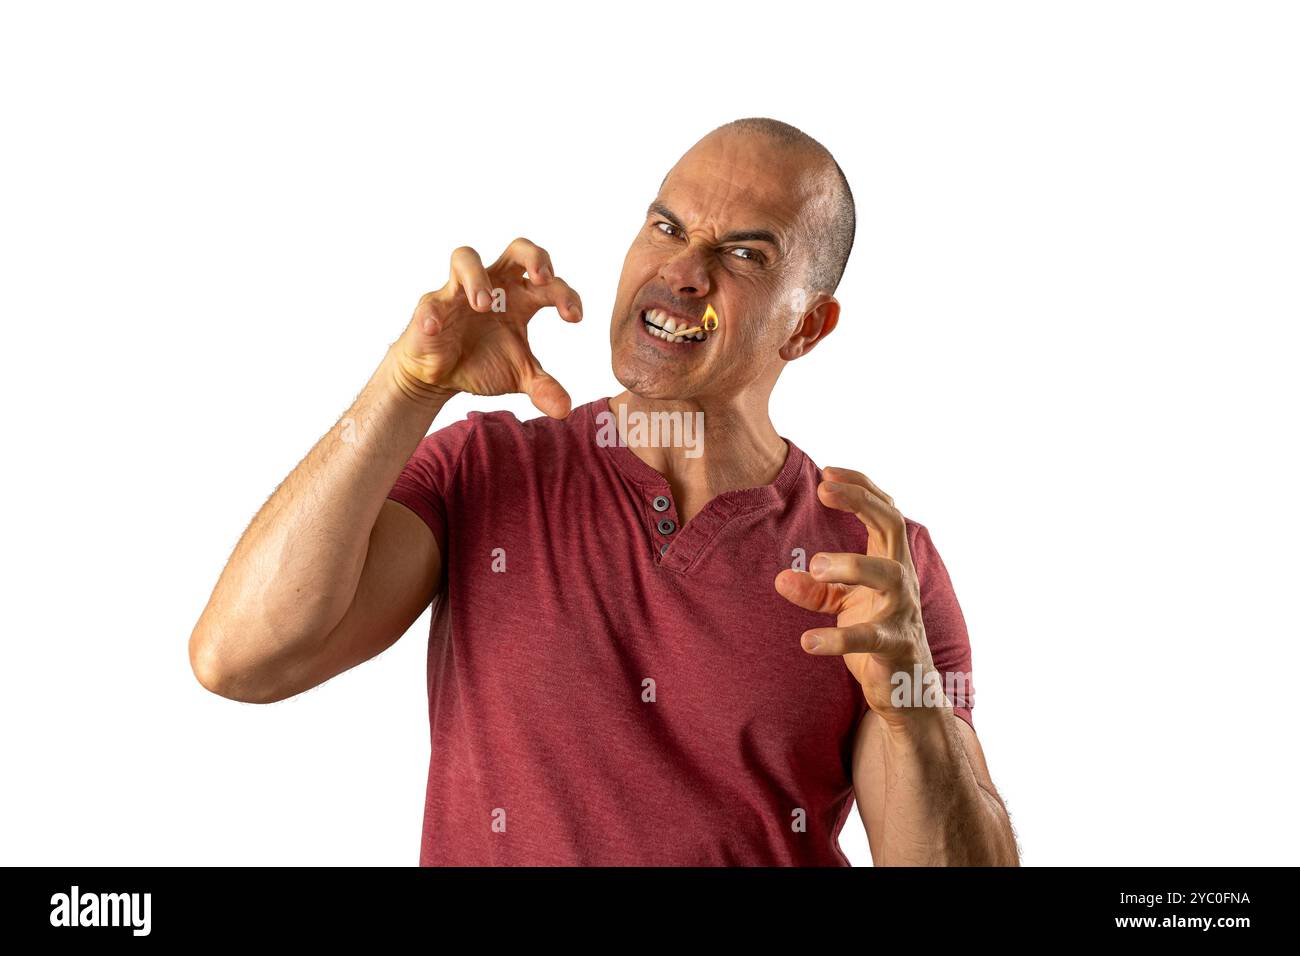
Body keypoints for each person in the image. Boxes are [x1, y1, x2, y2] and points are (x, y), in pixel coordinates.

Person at [189, 117, 1019, 866]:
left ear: (807, 325)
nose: (684, 270)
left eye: (744, 254)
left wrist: (913, 711)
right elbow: (239, 661)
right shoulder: (486, 471)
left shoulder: (878, 567)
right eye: (666, 227)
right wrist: (407, 387)